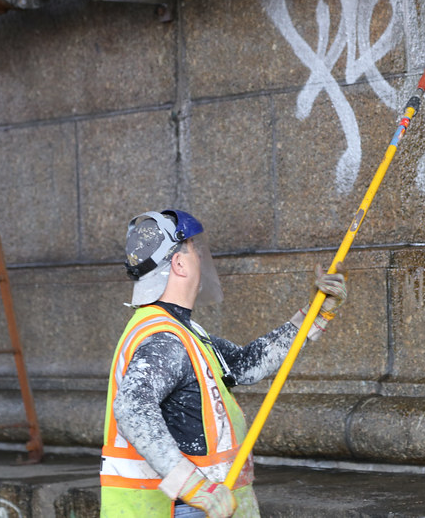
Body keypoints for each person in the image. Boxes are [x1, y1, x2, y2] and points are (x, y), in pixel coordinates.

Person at [99, 209, 346, 517]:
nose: (202, 259)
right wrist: (192, 487)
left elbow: (246, 364)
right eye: (195, 251)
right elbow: (133, 408)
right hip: (186, 508)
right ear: (178, 264)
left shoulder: (182, 332)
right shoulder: (165, 338)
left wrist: (315, 313)